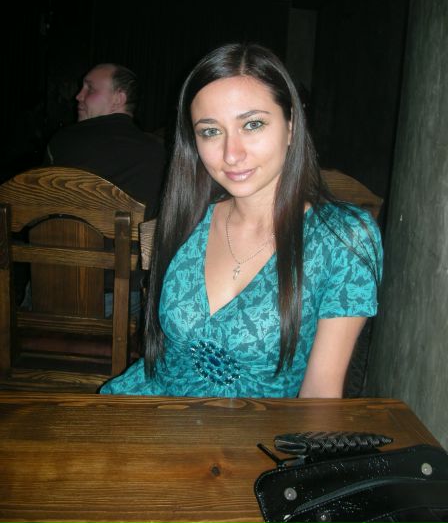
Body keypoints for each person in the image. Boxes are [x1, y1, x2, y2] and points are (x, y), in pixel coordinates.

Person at [100, 43, 383, 398]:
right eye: (211, 131)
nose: (231, 154)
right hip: (148, 410)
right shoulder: (189, 217)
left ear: (291, 126)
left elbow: (320, 393)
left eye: (252, 124)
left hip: (259, 430)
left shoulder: (342, 238)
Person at [45, 63, 167, 218]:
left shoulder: (62, 141)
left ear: (118, 99)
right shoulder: (158, 153)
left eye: (90, 89)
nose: (78, 96)